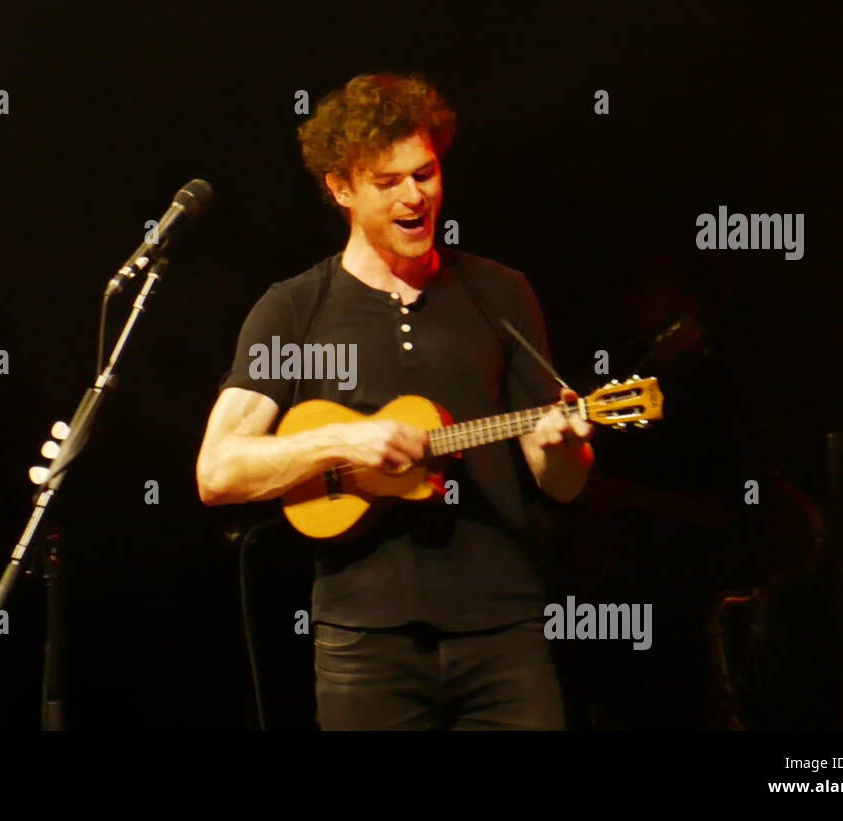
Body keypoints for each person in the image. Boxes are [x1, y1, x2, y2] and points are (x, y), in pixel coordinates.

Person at [196, 73, 594, 730]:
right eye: (389, 182)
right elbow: (217, 472)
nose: (416, 196)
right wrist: (343, 442)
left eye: (427, 173)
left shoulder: (501, 294)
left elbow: (566, 484)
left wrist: (563, 445)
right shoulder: (293, 308)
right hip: (362, 643)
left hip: (505, 636)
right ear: (341, 189)